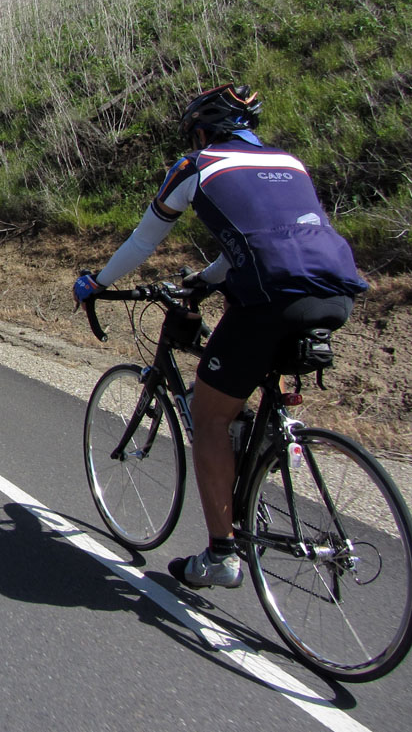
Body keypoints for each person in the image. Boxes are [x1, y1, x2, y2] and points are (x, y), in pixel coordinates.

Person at [73, 84, 368, 589]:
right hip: (337, 291)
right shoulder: (291, 162)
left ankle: (221, 555)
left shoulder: (195, 166)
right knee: (248, 384)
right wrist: (206, 281)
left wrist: (97, 283)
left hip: (270, 297)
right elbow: (265, 236)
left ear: (202, 130)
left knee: (209, 419)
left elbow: (146, 237)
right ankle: (262, 450)